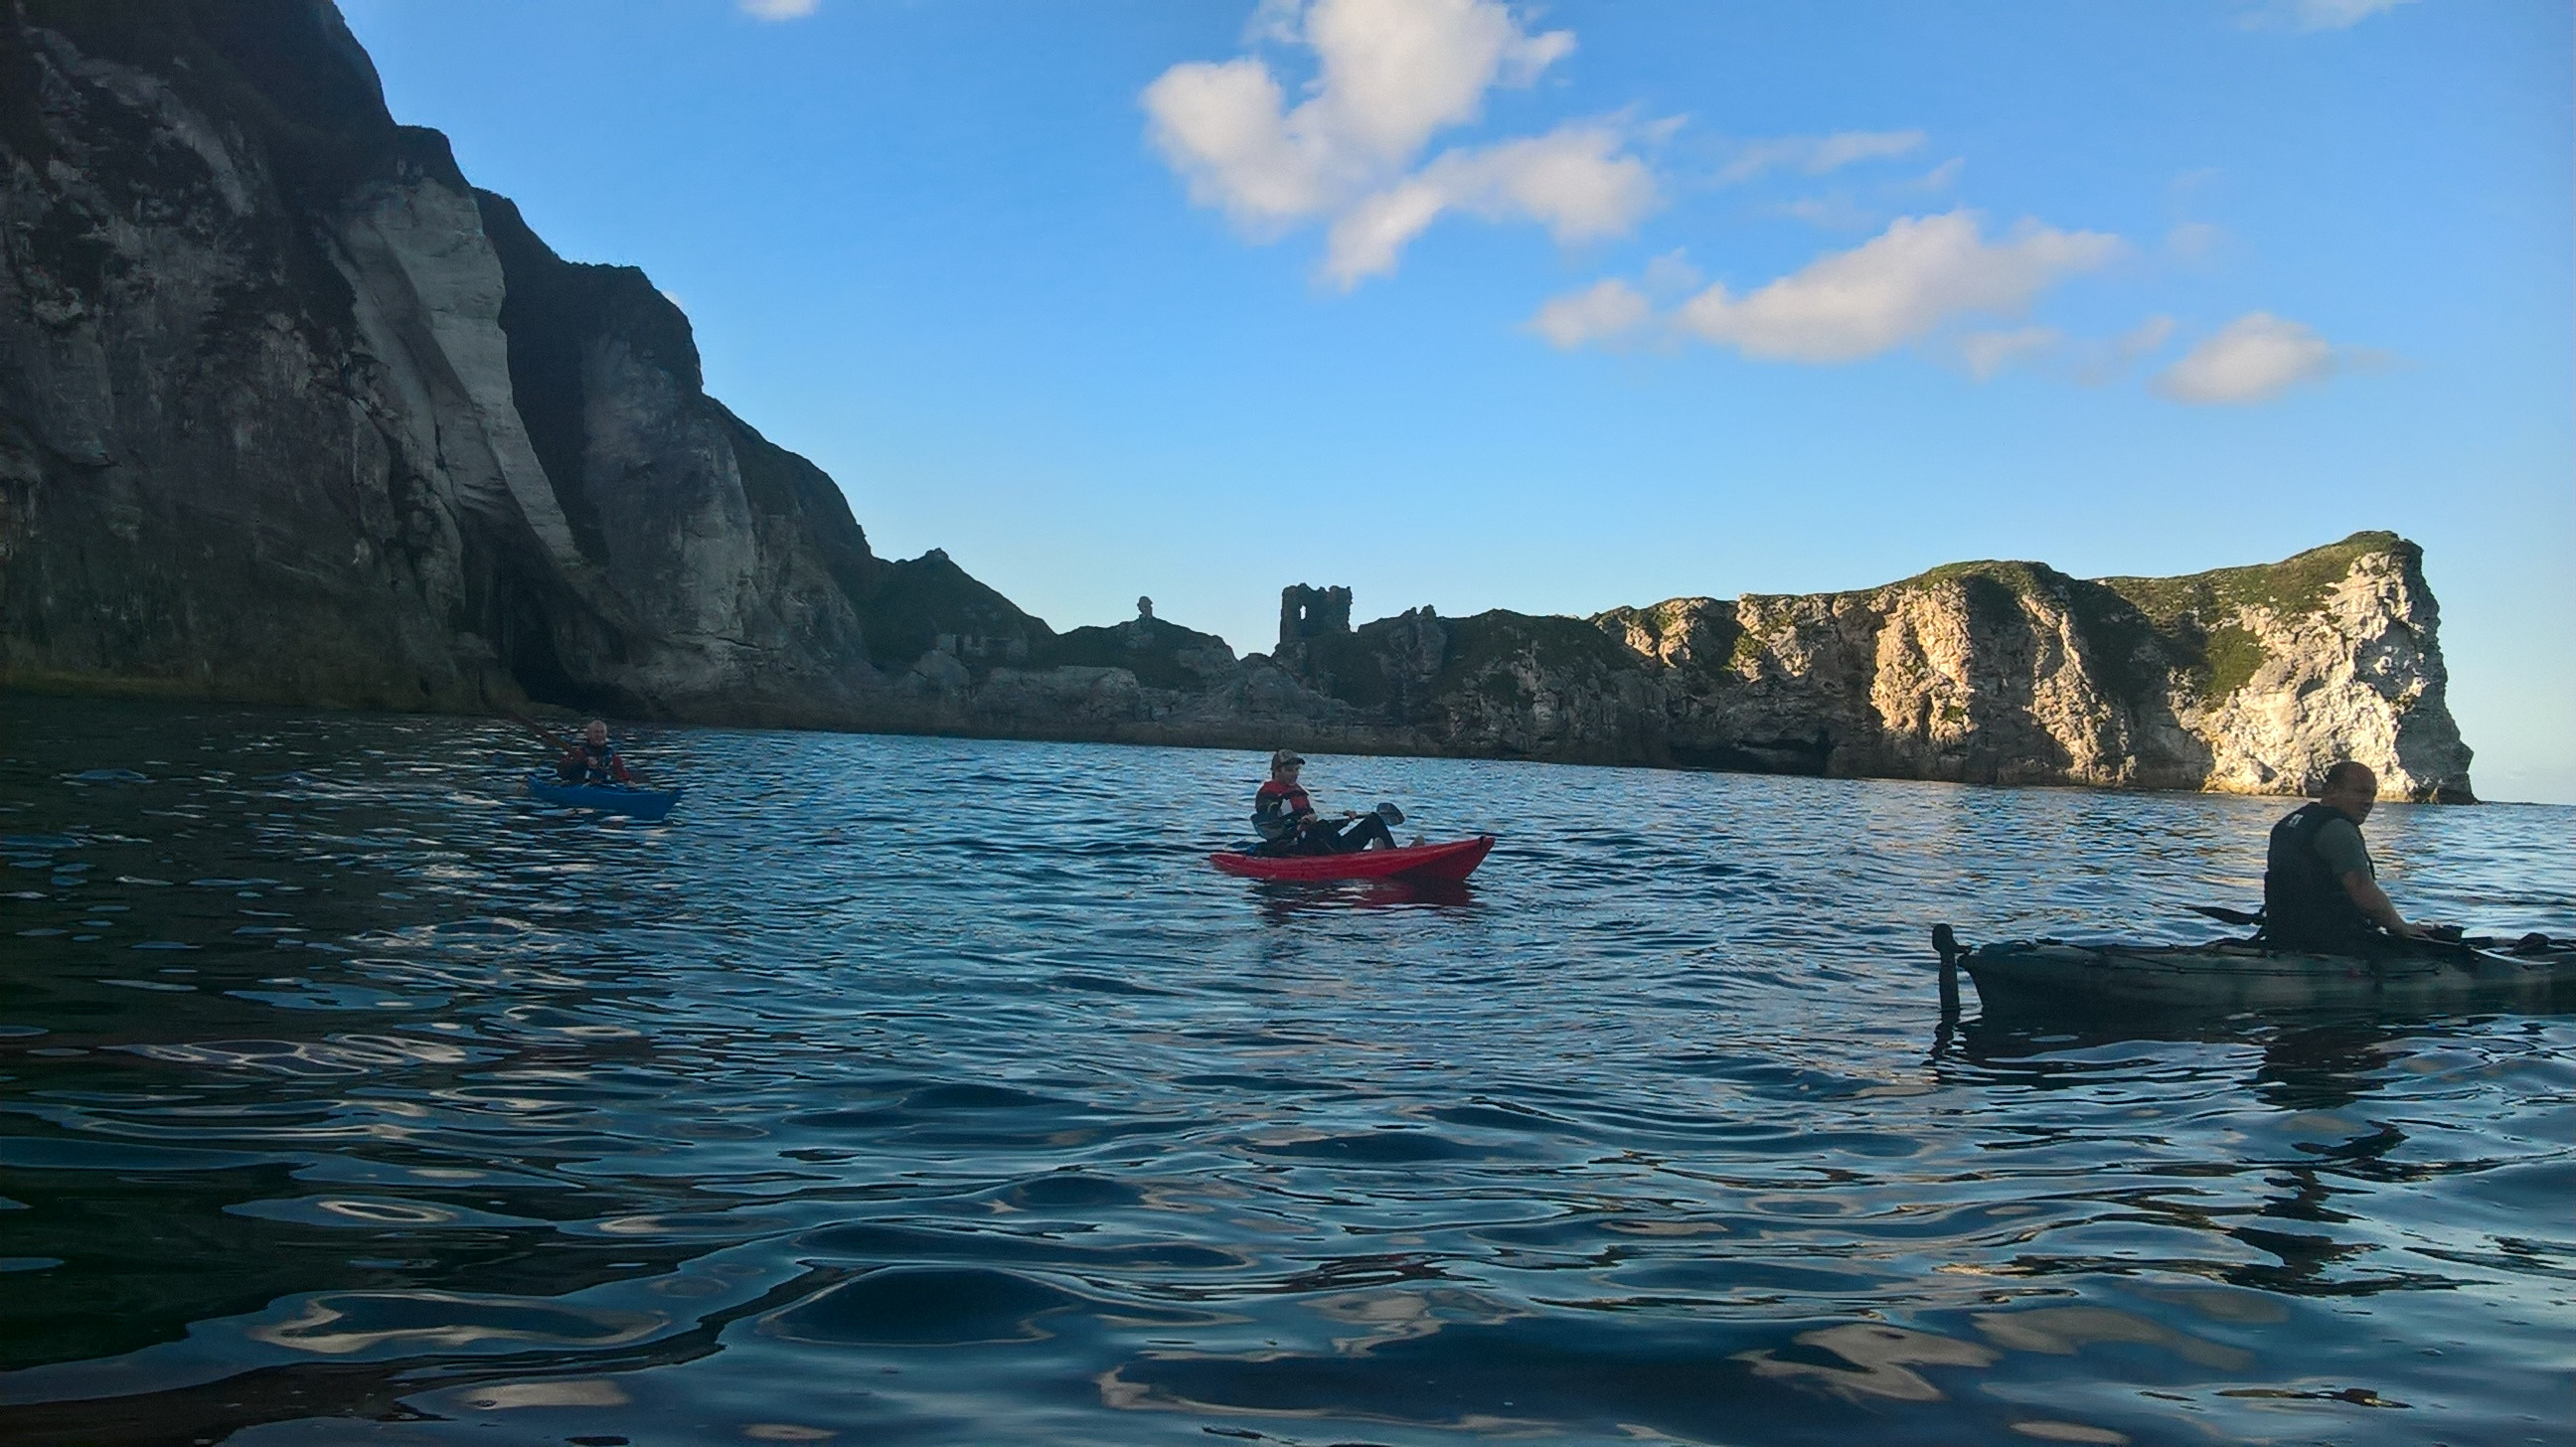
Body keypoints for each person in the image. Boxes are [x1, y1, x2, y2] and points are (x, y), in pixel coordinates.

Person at [2261, 760, 2426, 951]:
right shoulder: (2337, 829)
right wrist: (2402, 927)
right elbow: (2362, 890)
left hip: (2284, 936)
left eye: (2372, 795)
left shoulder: (2289, 823)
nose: (2368, 802)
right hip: (2330, 943)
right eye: (2361, 792)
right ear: (2331, 790)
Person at [1252, 748, 1392, 855]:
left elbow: (1318, 827)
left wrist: (1344, 821)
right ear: (1276, 771)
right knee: (1320, 827)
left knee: (1373, 820)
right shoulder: (1267, 795)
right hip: (1291, 849)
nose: (1295, 774)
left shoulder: (1298, 792)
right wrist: (1299, 827)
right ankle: (1372, 859)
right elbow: (1269, 829)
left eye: (1297, 769)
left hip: (1316, 843)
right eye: (1289, 770)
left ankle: (1392, 855)